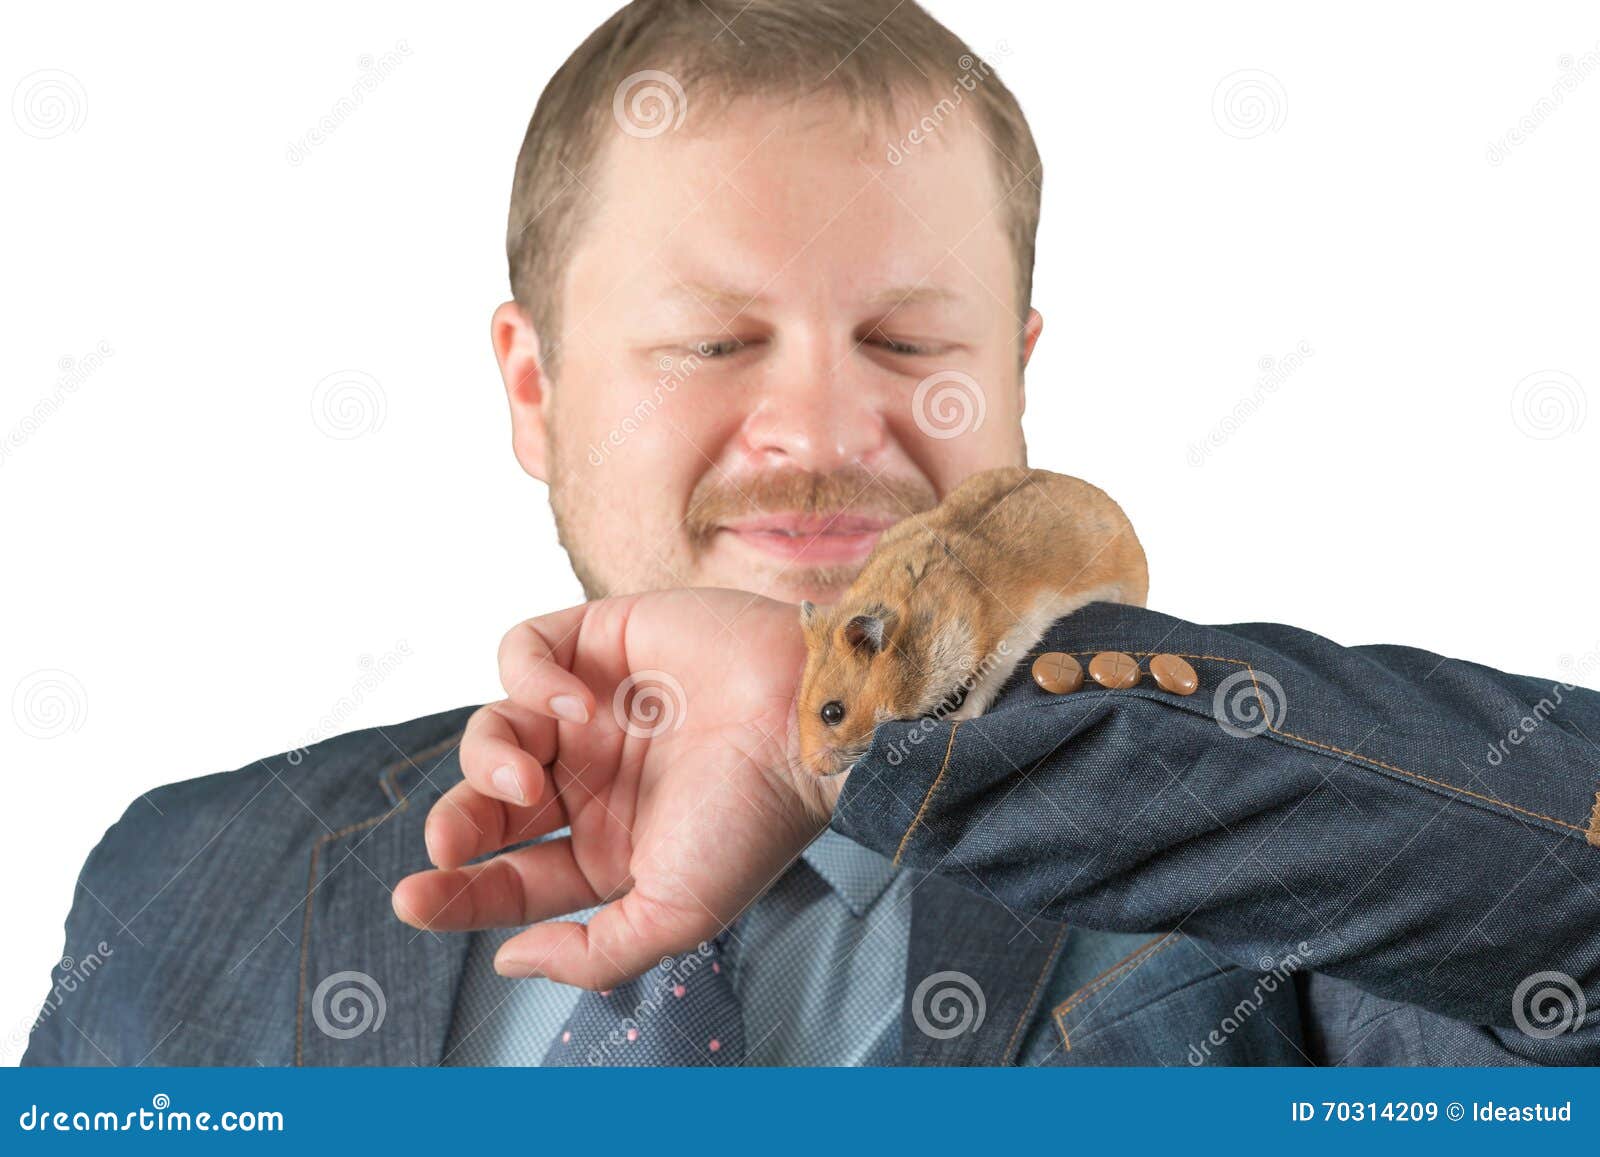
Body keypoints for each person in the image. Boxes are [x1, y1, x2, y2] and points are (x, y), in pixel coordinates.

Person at [25, 0, 1600, 1068]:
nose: (831, 431)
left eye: (913, 349)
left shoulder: (1278, 876)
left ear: (1016, 384)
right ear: (535, 389)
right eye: (715, 344)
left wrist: (879, 752)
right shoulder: (194, 879)